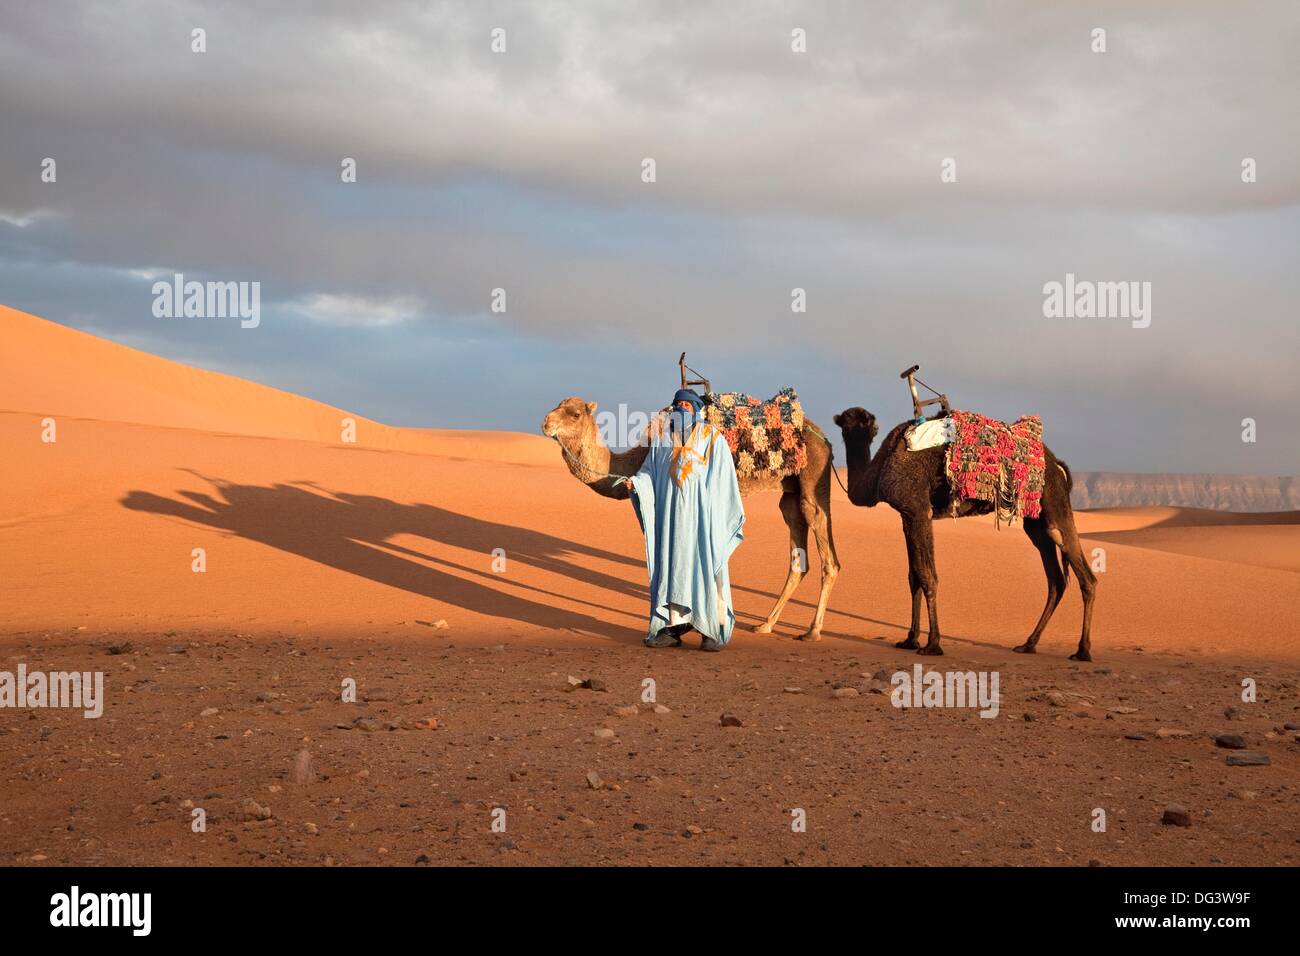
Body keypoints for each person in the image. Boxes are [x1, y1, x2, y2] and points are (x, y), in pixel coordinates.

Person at [623, 389, 744, 651]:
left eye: (686, 404)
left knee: (706, 568)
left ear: (697, 409)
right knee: (674, 570)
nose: (680, 408)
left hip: (702, 521)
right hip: (672, 523)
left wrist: (713, 515)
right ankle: (672, 629)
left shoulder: (713, 438)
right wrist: (638, 484)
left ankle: (710, 629)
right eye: (677, 404)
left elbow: (725, 482)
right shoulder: (663, 439)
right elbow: (649, 472)